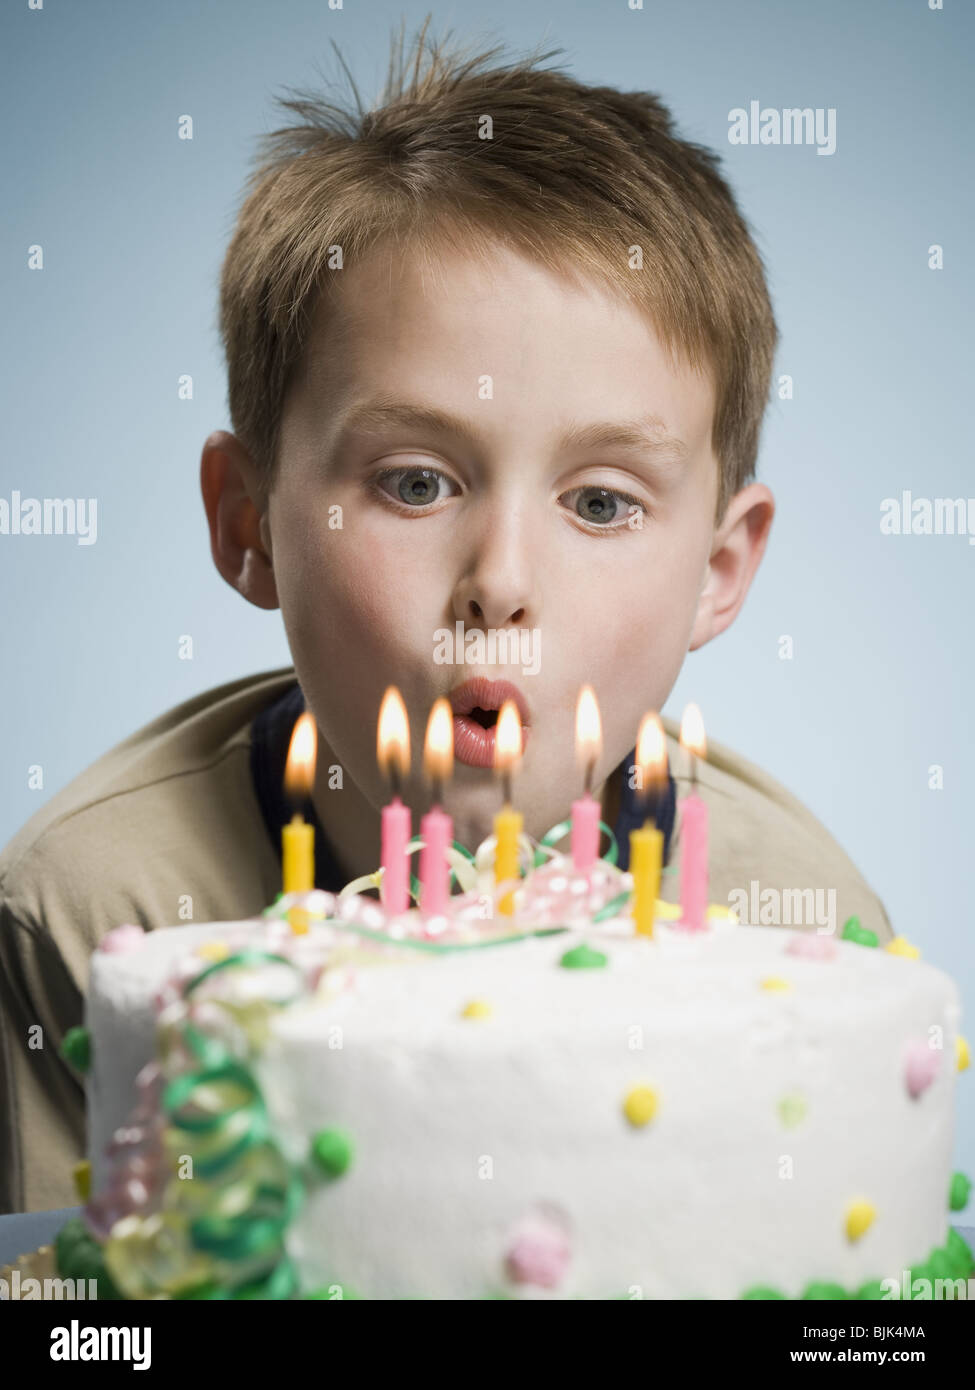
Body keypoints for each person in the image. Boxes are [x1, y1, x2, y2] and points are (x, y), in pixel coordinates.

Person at [0, 21, 891, 1215]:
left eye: (601, 501)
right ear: (249, 521)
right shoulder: (90, 917)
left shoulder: (806, 939)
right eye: (416, 481)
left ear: (720, 571)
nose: (502, 581)